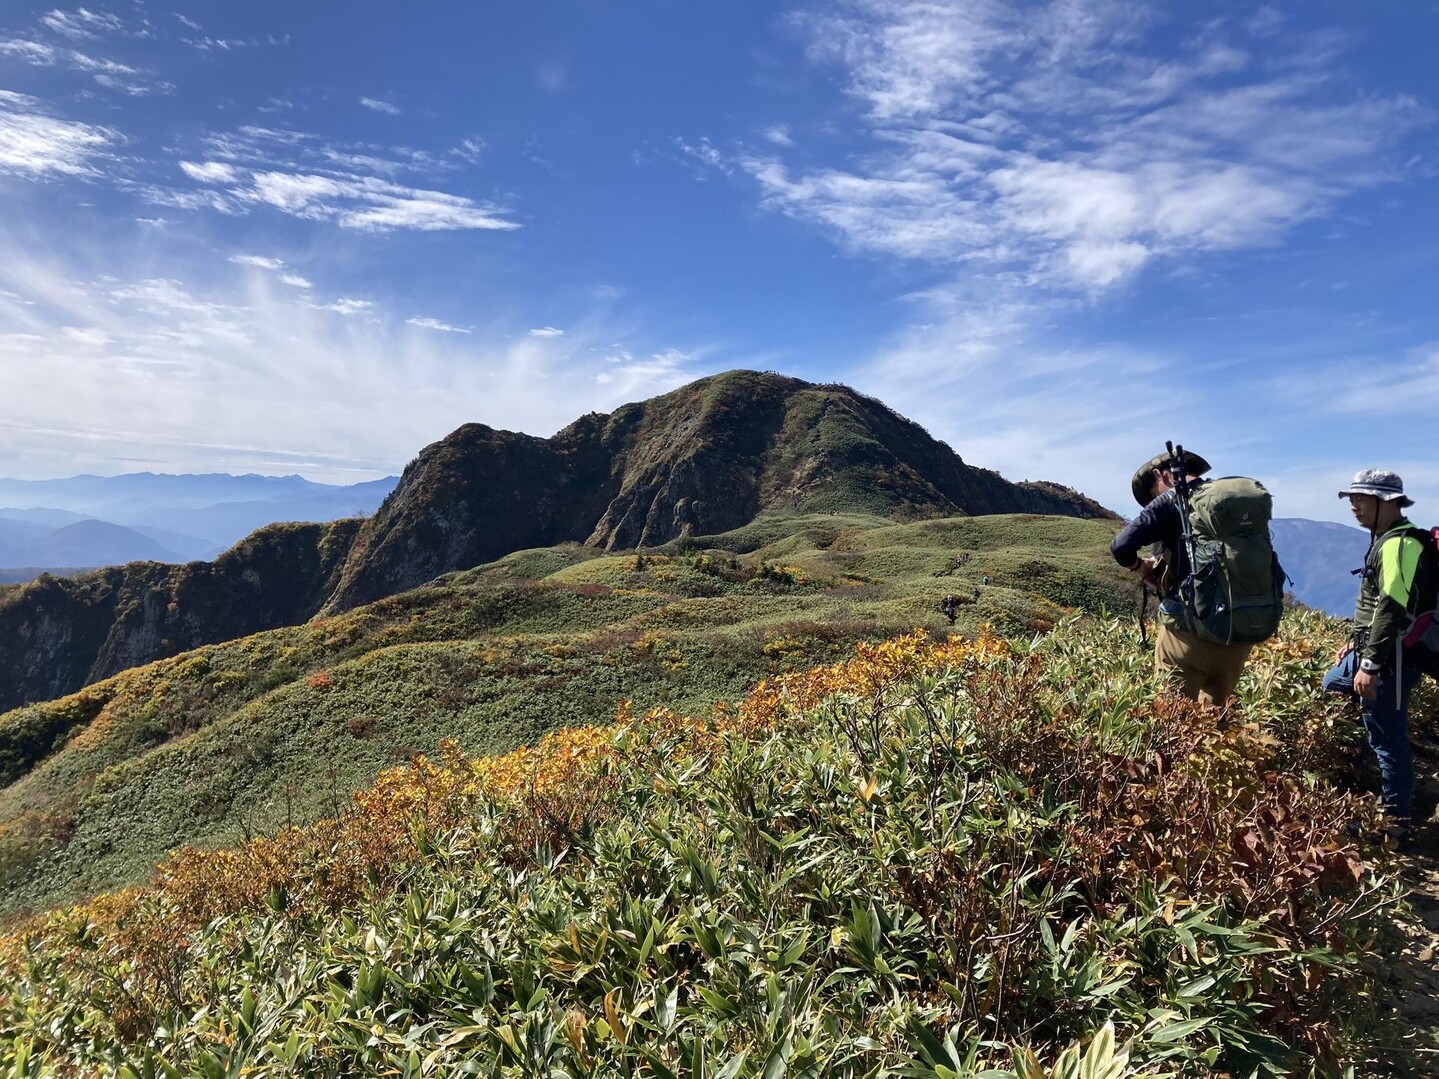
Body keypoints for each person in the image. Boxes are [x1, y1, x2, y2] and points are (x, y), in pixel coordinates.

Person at [1323, 470, 1437, 836]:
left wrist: (1368, 663)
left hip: (1392, 658)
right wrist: (1356, 644)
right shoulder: (1386, 539)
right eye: (1351, 499)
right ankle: (1355, 767)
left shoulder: (1400, 545)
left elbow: (1391, 607)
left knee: (1388, 736)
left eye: (1362, 499)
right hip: (1376, 648)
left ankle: (1395, 823)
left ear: (1387, 502)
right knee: (1335, 683)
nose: (1353, 506)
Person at [1110, 450, 1256, 707]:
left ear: (1160, 474)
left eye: (1152, 494)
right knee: (1215, 729)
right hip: (1239, 633)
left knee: (1172, 721)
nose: (1154, 500)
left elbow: (1120, 546)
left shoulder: (1171, 499)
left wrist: (1141, 569)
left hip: (1189, 632)